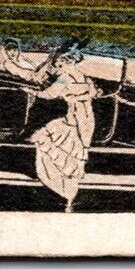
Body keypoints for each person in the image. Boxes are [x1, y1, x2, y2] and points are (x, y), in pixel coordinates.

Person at [30, 45, 96, 212]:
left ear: (69, 62)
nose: (58, 65)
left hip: (73, 123)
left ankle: (64, 195)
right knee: (71, 161)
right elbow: (93, 93)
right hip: (86, 122)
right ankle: (68, 198)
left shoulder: (65, 78)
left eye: (61, 62)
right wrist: (76, 97)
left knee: (45, 142)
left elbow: (48, 94)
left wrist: (29, 90)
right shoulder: (85, 77)